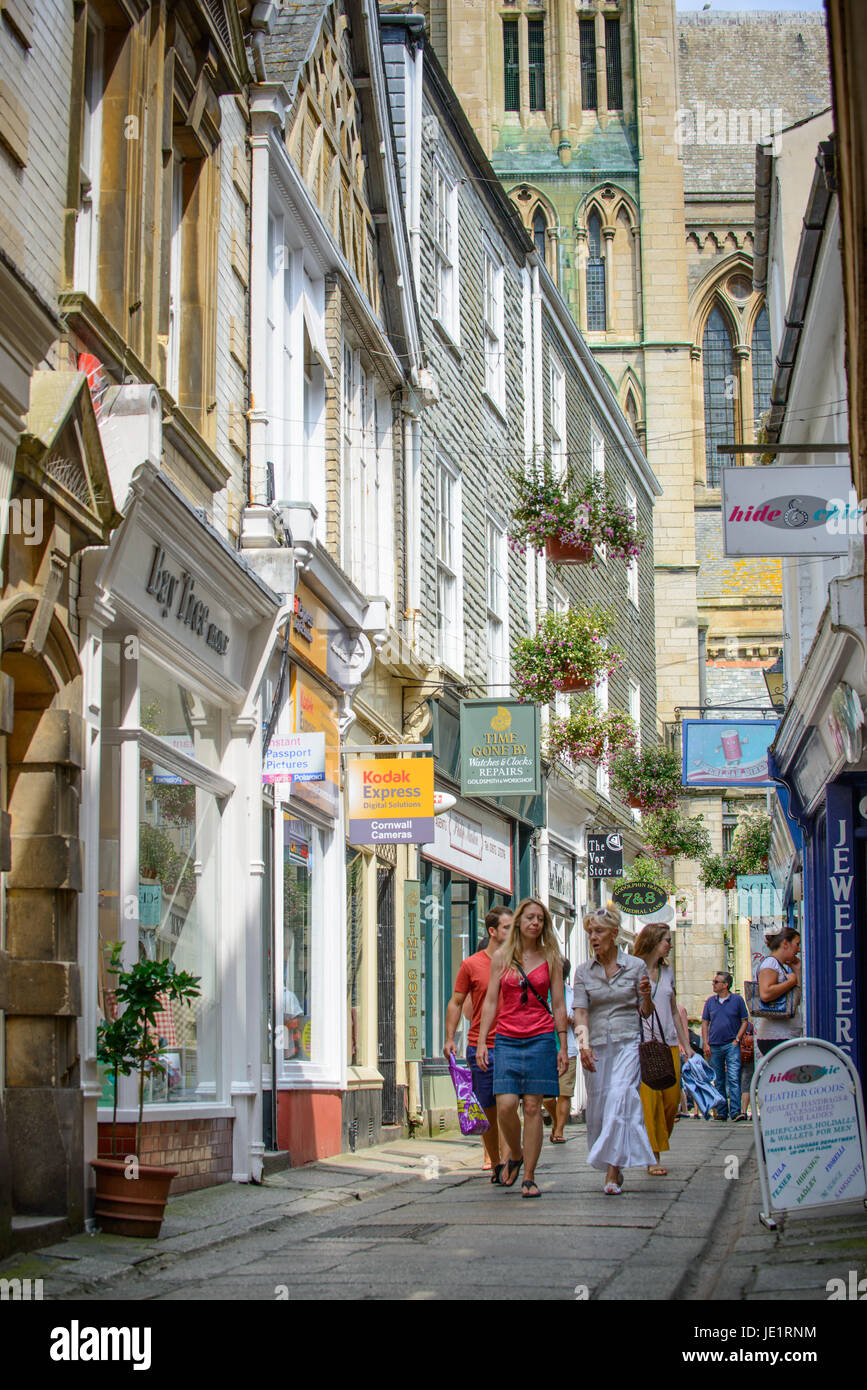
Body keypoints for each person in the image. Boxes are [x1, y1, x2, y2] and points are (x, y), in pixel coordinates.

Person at [476, 898, 568, 1198]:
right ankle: (514, 1153)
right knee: (504, 1105)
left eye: (540, 919)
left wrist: (563, 1044)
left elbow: (558, 1003)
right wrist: (481, 1041)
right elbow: (491, 1001)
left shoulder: (551, 956)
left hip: (541, 1037)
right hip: (507, 1037)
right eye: (530, 917)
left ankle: (528, 1176)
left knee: (531, 1106)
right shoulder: (502, 957)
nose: (535, 923)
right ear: (519, 921)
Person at [572, 905, 655, 1195]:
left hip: (628, 1040)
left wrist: (646, 996)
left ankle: (612, 1171)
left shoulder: (635, 967)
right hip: (596, 1046)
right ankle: (611, 1160)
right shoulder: (583, 972)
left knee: (621, 1097)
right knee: (599, 1108)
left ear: (615, 934)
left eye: (599, 931)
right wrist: (582, 1046)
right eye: (590, 932)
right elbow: (580, 1011)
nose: (594, 937)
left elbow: (645, 1012)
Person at [443, 906, 513, 1181]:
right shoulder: (471, 964)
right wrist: (450, 1038)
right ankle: (495, 1162)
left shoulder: (519, 961)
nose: (512, 932)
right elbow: (456, 1001)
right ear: (492, 931)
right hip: (480, 1046)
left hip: (512, 1044)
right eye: (507, 927)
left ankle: (508, 1162)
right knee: (488, 1107)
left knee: (508, 1105)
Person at [633, 923, 694, 1175]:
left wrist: (686, 1044)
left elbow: (672, 1010)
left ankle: (658, 1140)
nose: (669, 944)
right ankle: (653, 1157)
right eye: (666, 940)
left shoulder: (667, 973)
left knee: (671, 1103)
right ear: (653, 942)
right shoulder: (633, 971)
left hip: (668, 1044)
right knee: (651, 1104)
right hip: (643, 1046)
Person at [701, 971, 749, 1120]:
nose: (713, 984)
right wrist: (706, 1042)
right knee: (719, 1079)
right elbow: (704, 1023)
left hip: (731, 1044)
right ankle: (722, 1112)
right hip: (714, 1045)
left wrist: (737, 1039)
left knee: (734, 1077)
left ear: (725, 985)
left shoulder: (737, 1000)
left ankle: (735, 1111)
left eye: (716, 982)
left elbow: (744, 1021)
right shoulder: (710, 1002)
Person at [543, 957, 578, 1142]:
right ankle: (556, 1120)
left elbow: (573, 1018)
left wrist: (559, 1016)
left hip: (568, 1049)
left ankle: (559, 1131)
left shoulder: (571, 994)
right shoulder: (541, 992)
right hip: (545, 1048)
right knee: (546, 1096)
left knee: (564, 1092)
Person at [755, 927, 802, 1058]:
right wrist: (791, 982)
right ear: (785, 944)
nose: (798, 949)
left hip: (783, 1036)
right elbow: (766, 993)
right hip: (776, 1037)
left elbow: (795, 1001)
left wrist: (796, 971)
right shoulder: (770, 964)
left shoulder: (778, 965)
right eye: (797, 944)